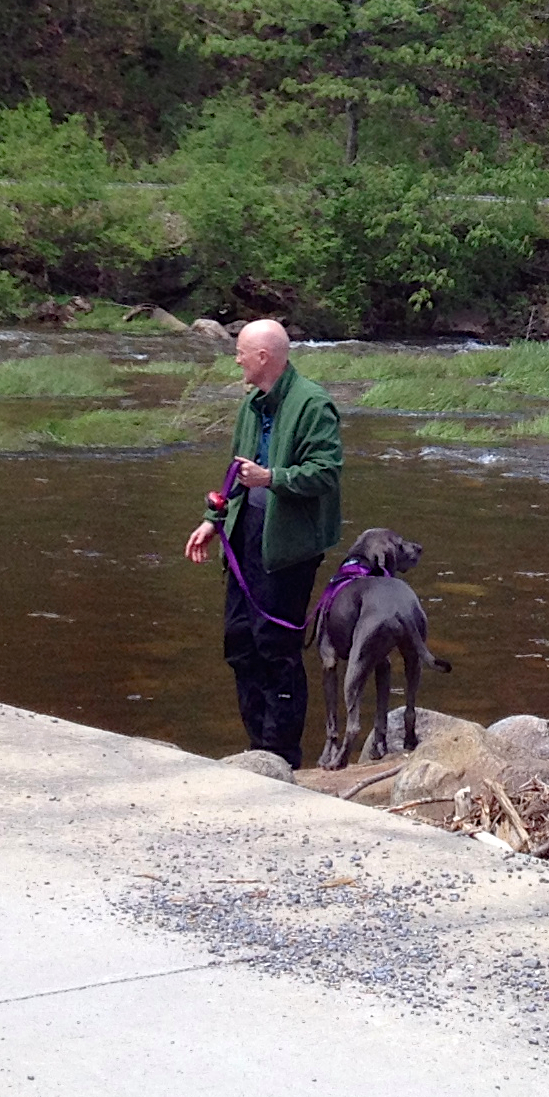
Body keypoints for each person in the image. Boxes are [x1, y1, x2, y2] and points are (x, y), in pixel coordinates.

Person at [183, 318, 342, 765]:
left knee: (275, 645)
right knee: (239, 641)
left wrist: (273, 478)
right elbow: (236, 474)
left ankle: (281, 755)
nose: (236, 359)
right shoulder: (252, 404)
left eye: (241, 352)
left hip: (289, 545)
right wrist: (213, 520)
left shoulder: (314, 404)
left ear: (264, 357)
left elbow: (326, 473)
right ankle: (257, 748)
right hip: (245, 535)